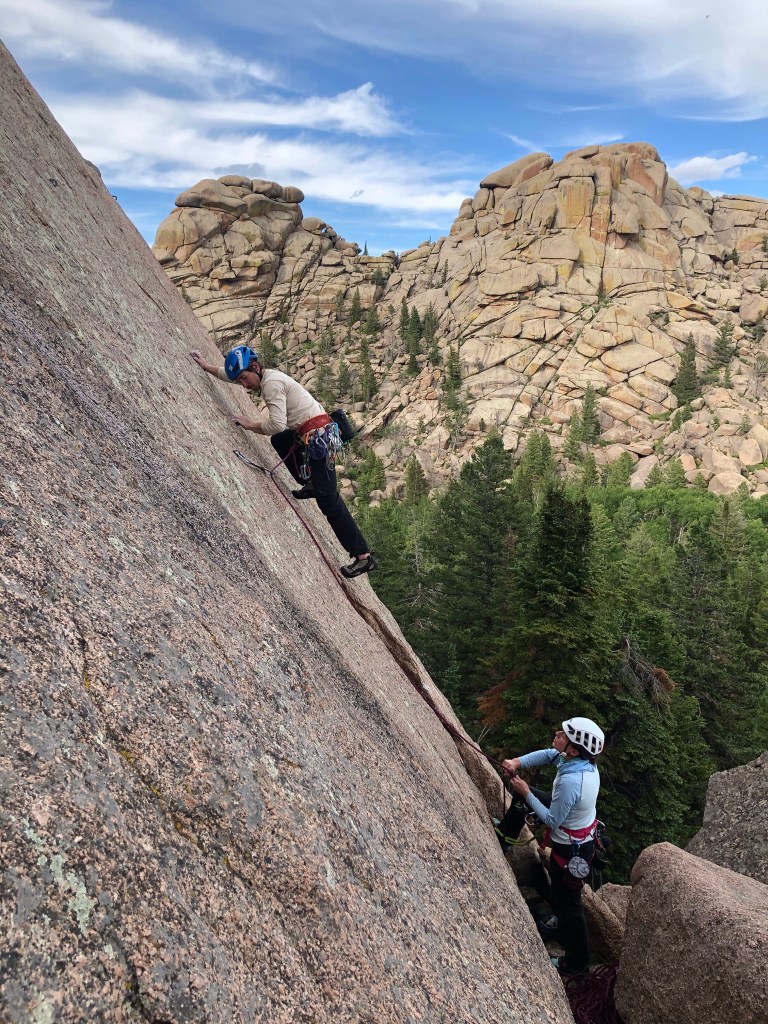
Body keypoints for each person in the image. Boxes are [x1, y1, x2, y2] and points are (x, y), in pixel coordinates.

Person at [190, 344, 377, 579]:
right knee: (281, 441)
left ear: (256, 367)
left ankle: (363, 558)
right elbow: (232, 375)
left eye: (245, 379)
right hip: (311, 435)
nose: (245, 386)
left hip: (319, 440)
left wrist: (250, 424)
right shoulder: (266, 377)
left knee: (329, 501)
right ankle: (308, 482)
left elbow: (276, 424)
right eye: (241, 381)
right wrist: (206, 366)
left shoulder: (271, 384)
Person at [496, 717, 605, 976]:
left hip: (571, 848)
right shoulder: (577, 761)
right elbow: (548, 754)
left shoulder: (573, 781)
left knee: (569, 906)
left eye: (563, 735)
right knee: (524, 798)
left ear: (574, 749)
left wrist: (525, 791)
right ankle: (504, 835)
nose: (557, 733)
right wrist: (517, 762)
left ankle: (577, 964)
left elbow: (552, 821)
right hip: (577, 835)